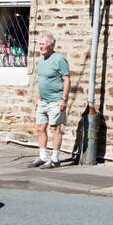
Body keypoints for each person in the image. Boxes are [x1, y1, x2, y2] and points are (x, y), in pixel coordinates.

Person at [33, 32, 71, 169]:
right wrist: (38, 98)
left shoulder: (59, 60)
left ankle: (55, 158)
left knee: (55, 128)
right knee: (40, 127)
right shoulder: (41, 60)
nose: (40, 47)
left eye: (43, 44)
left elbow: (66, 79)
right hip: (43, 100)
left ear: (51, 45)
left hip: (55, 100)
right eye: (40, 44)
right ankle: (43, 156)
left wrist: (64, 99)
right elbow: (42, 81)